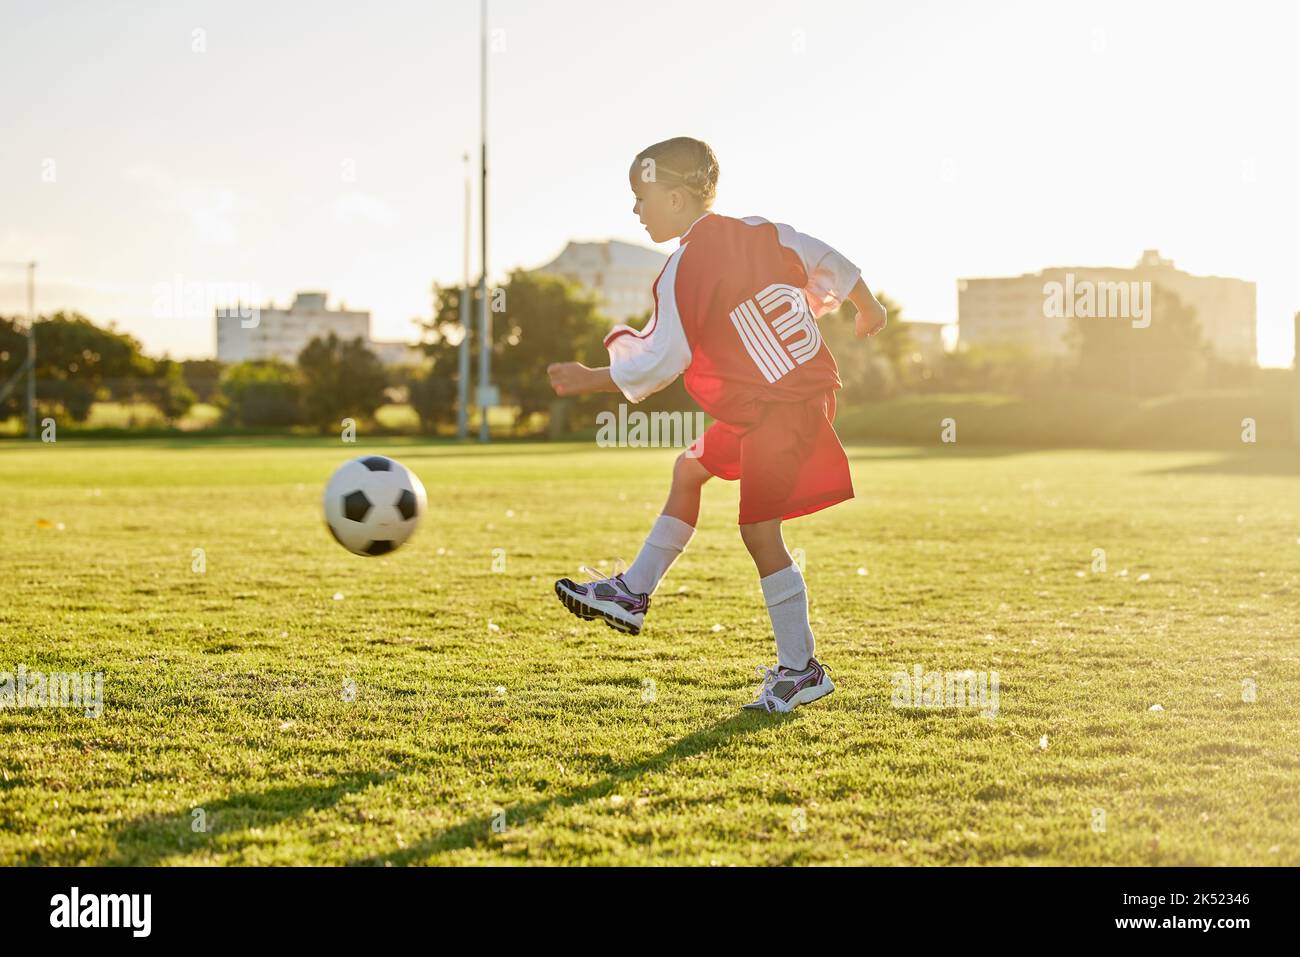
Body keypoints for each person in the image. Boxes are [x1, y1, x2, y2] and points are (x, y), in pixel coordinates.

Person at [548, 136, 887, 713]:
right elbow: (825, 256)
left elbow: (660, 360)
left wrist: (589, 378)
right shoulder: (760, 230)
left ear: (677, 198)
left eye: (641, 196)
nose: (635, 209)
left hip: (779, 408)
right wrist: (867, 303)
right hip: (783, 400)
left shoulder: (687, 264)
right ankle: (632, 593)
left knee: (759, 533)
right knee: (690, 469)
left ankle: (801, 670)